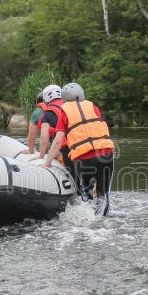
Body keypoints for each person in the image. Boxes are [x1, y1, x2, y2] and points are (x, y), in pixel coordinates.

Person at [43, 82, 115, 216]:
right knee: (103, 195)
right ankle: (103, 221)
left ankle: (88, 220)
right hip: (106, 154)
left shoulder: (64, 112)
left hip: (84, 158)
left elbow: (58, 141)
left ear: (65, 98)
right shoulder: (93, 107)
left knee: (86, 193)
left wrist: (47, 163)